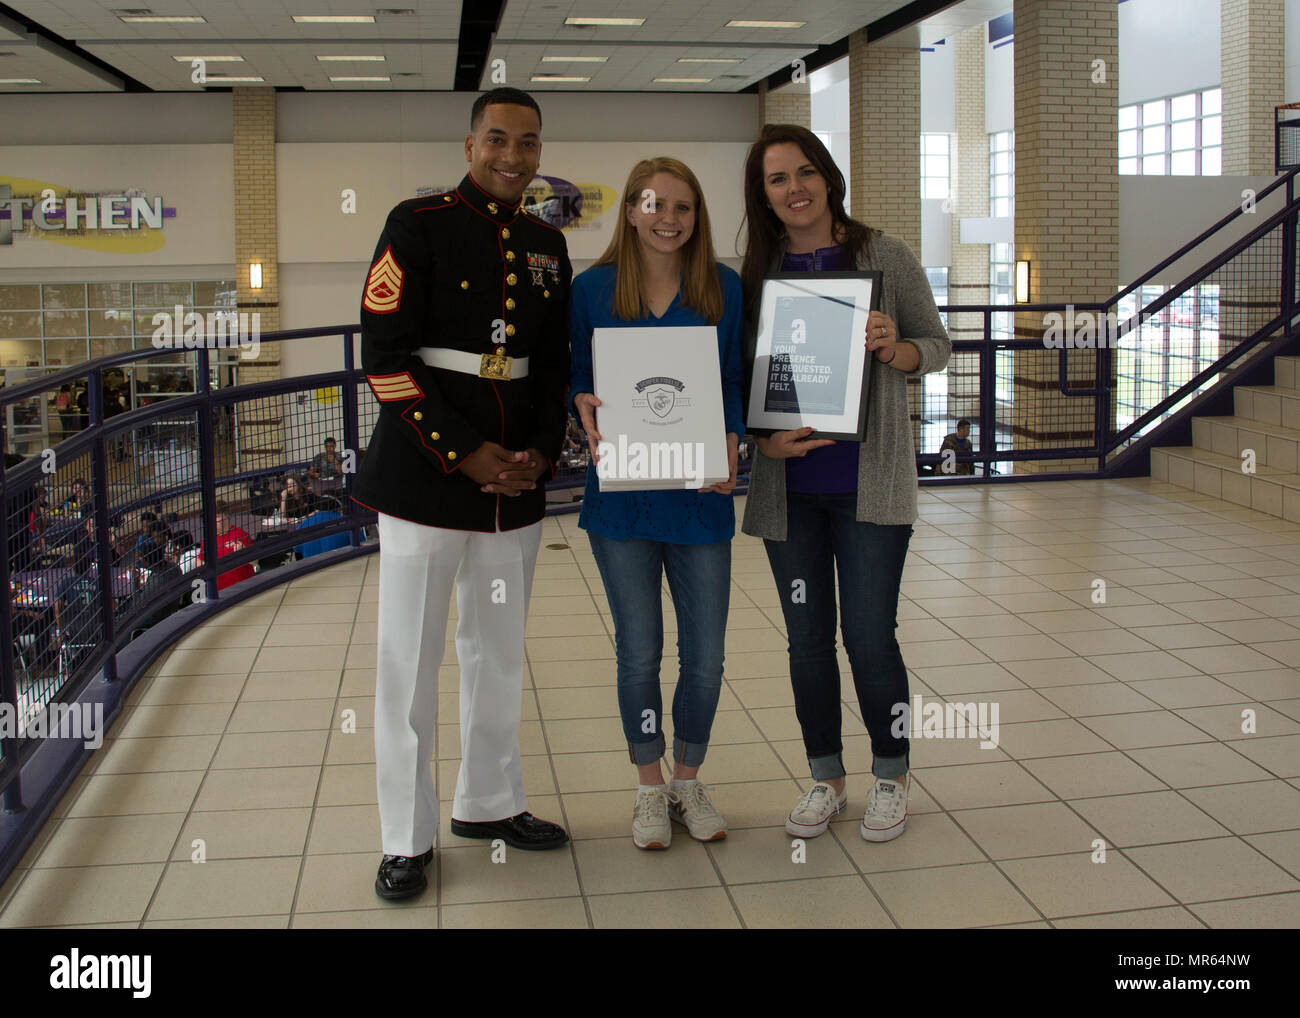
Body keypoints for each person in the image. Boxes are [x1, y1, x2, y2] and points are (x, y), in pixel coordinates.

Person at [349, 86, 572, 901]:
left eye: (530, 143)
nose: (515, 156)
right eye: (499, 140)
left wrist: (539, 453)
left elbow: (552, 366)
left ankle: (488, 802)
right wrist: (465, 452)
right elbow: (386, 356)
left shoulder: (549, 241)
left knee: (498, 649)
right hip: (424, 478)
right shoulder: (419, 223)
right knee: (408, 661)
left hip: (514, 483)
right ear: (470, 143)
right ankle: (405, 838)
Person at [739, 124, 951, 844]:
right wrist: (759, 436)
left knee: (869, 637)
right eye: (776, 179)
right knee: (806, 642)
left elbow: (938, 345)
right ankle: (825, 776)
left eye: (805, 172)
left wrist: (898, 347)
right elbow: (742, 377)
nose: (794, 188)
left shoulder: (883, 254)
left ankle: (890, 776)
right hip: (790, 490)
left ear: (827, 177)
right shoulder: (756, 273)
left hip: (870, 486)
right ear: (763, 195)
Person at [570, 157, 743, 850]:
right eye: (654, 205)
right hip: (624, 501)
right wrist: (575, 400)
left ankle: (687, 780)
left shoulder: (722, 288)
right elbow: (576, 375)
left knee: (705, 657)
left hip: (700, 496)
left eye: (684, 207)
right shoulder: (592, 290)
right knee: (639, 654)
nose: (668, 218)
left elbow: (733, 381)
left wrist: (732, 439)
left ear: (697, 217)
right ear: (632, 212)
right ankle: (649, 786)